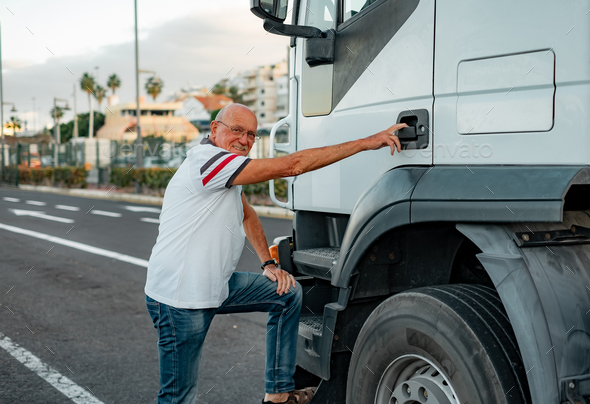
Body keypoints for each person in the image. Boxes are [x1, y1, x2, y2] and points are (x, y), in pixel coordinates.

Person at [144, 103, 407, 404]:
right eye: (237, 130)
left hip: (215, 286)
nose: (244, 140)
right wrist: (367, 142)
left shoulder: (224, 168)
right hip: (179, 298)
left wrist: (268, 263)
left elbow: (248, 215)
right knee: (178, 396)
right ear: (215, 129)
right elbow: (292, 166)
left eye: (252, 134)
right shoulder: (208, 162)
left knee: (286, 293)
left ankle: (278, 395)